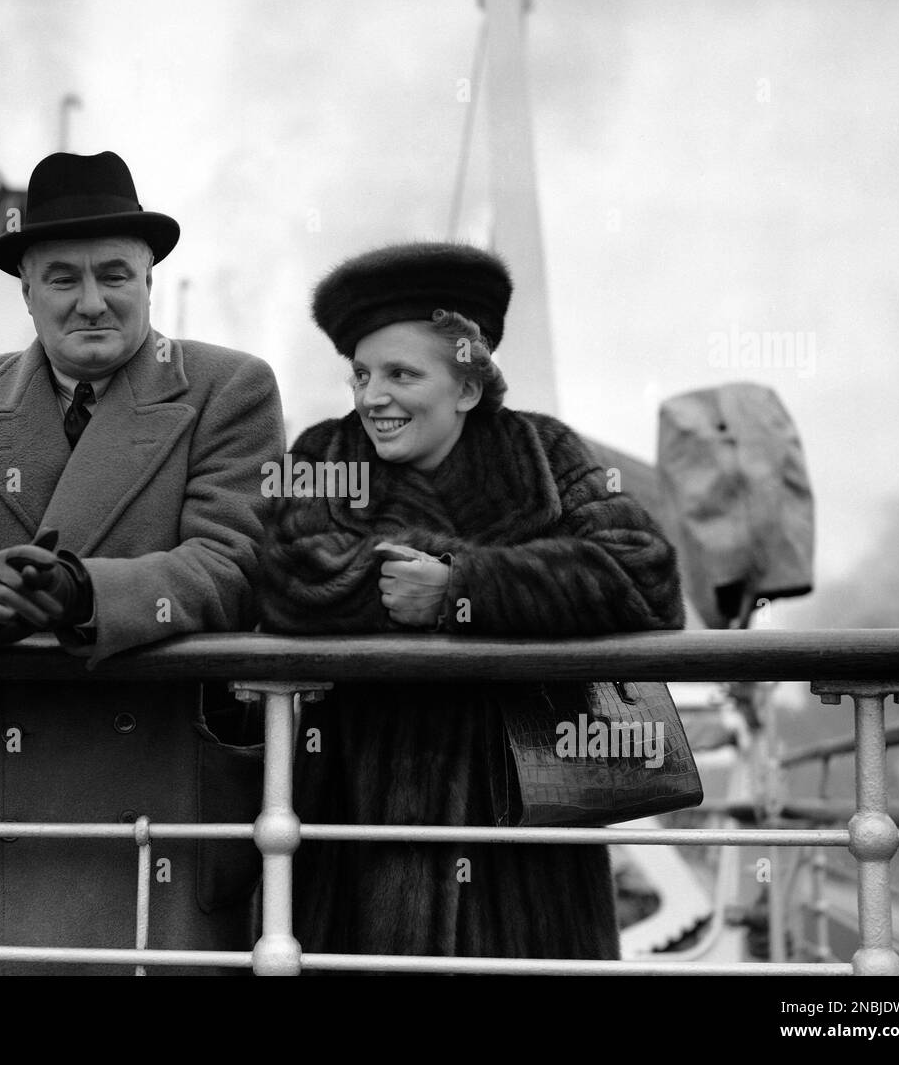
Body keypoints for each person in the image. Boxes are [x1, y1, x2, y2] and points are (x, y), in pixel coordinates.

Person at [0, 151, 285, 975]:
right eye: (62, 279)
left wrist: (86, 594)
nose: (92, 301)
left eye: (114, 273)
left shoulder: (229, 390)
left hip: (159, 797)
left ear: (149, 277)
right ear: (26, 293)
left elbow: (234, 563)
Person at [258, 242, 684, 962]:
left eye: (400, 374)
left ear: (466, 385)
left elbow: (644, 575)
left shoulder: (546, 452)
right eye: (362, 373)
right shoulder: (323, 457)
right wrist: (509, 580)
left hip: (525, 813)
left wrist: (462, 585)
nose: (371, 398)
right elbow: (288, 573)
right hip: (359, 807)